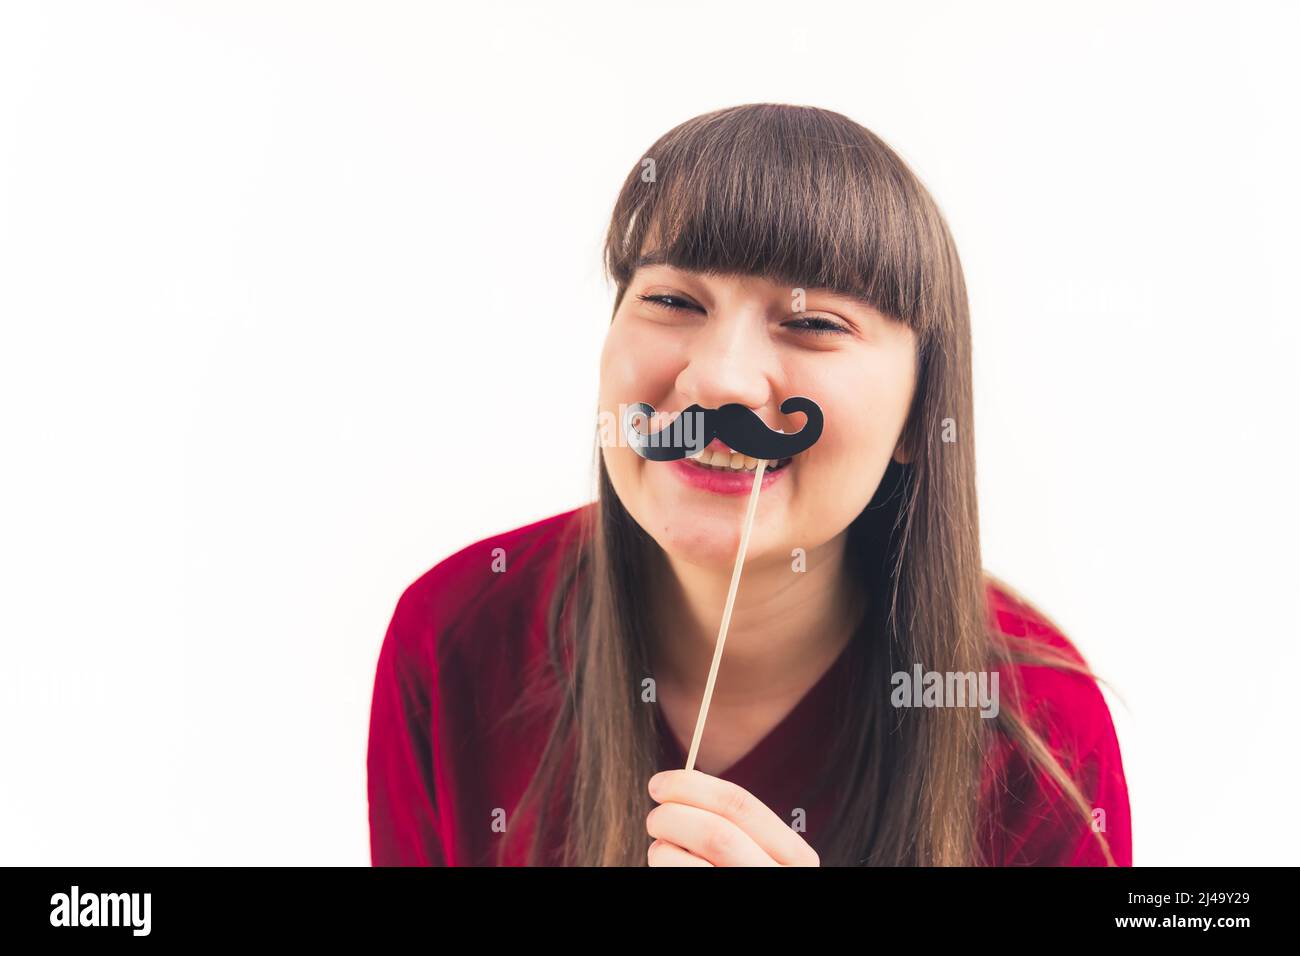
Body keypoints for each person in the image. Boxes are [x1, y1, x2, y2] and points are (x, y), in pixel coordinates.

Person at [367, 103, 1131, 867]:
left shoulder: (1039, 733)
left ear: (915, 416)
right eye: (671, 301)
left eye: (814, 323)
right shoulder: (455, 637)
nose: (720, 381)